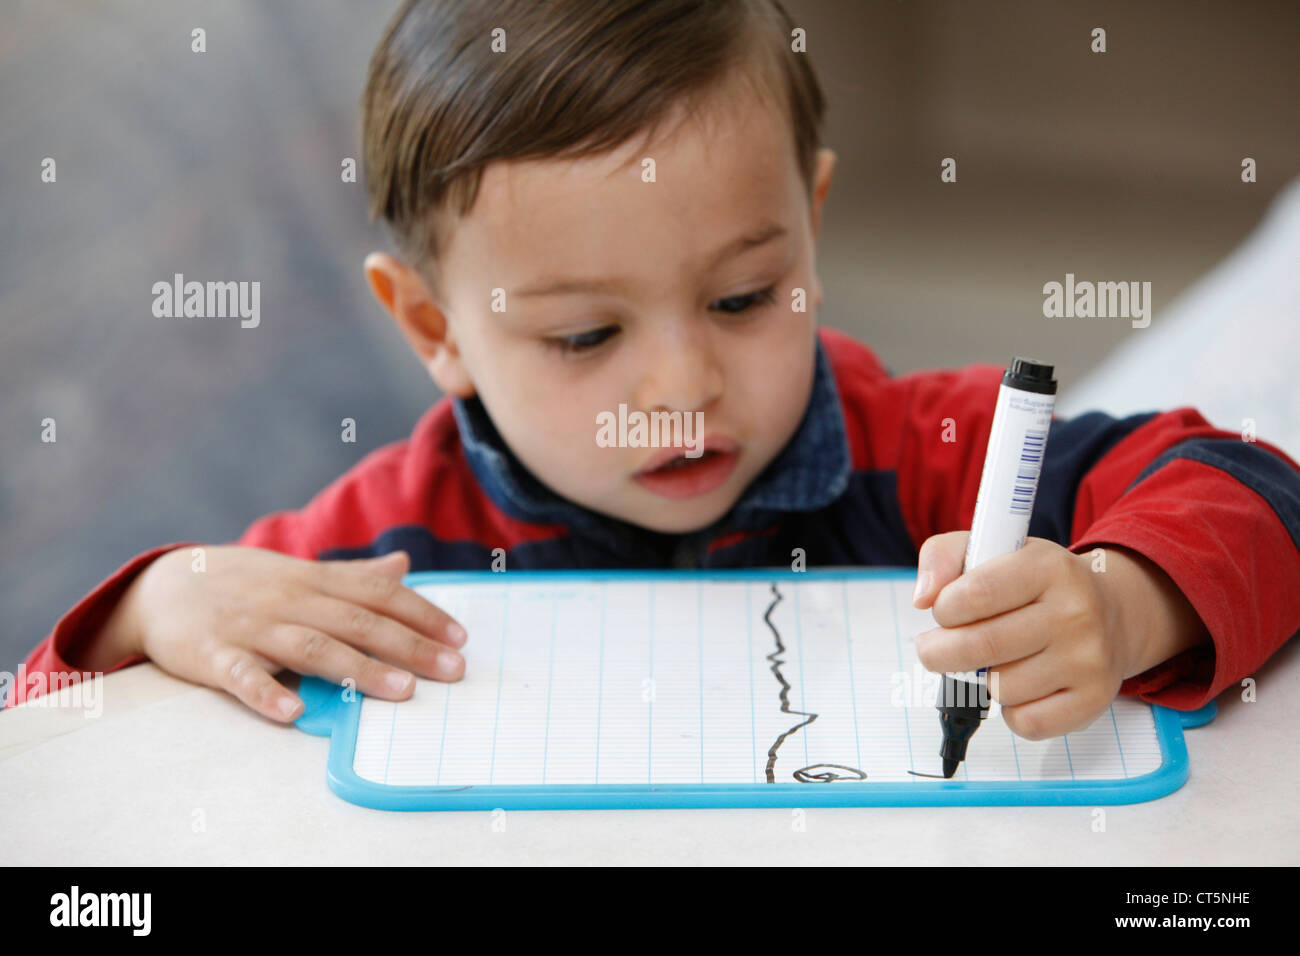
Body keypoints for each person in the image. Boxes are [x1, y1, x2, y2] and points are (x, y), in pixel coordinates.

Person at [8, 0, 1299, 749]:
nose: (682, 384)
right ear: (432, 328)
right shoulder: (379, 554)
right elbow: (42, 744)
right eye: (584, 336)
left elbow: (1258, 491)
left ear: (813, 225)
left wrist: (1125, 605)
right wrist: (150, 610)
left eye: (744, 297)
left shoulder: (928, 458)